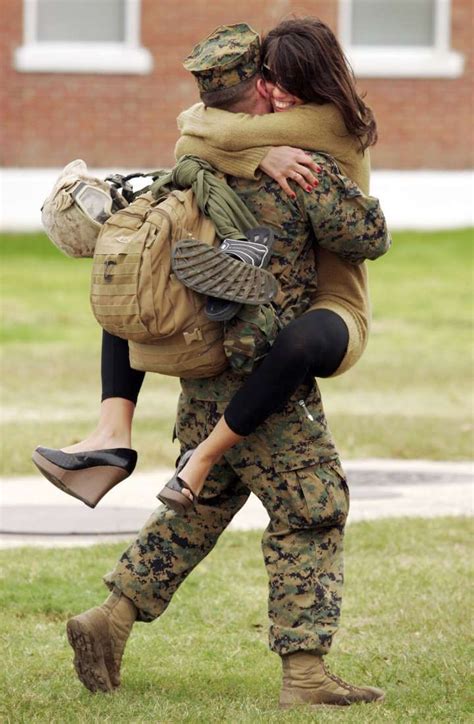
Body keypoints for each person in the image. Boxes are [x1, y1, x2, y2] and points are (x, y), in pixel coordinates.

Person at [63, 22, 386, 708]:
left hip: (203, 362)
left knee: (202, 507)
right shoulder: (303, 164)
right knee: (312, 507)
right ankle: (304, 674)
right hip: (264, 362)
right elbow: (367, 236)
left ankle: (110, 618)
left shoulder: (204, 154)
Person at [34, 17, 389, 514]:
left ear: (318, 80)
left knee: (299, 343)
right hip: (272, 286)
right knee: (139, 271)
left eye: (292, 81)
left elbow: (197, 128)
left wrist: (251, 150)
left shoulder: (333, 122)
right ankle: (111, 432)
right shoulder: (268, 133)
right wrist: (257, 156)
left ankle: (202, 459)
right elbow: (196, 144)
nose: (278, 92)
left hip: (335, 305)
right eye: (270, 76)